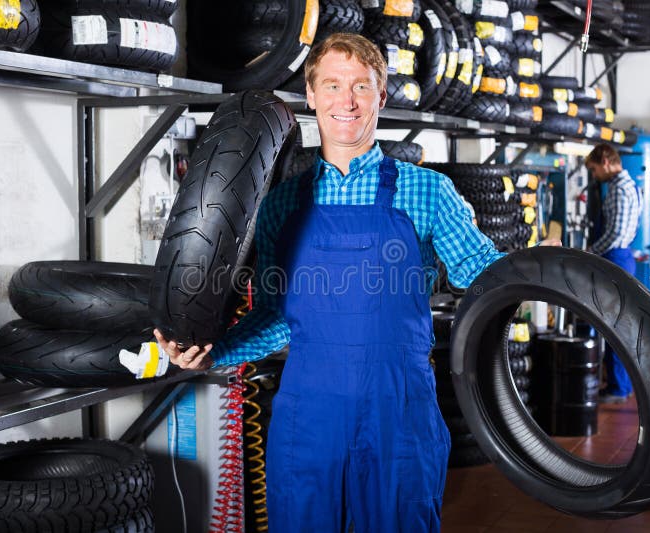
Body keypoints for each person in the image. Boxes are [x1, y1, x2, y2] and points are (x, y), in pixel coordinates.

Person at [154, 33, 553, 532]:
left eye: (361, 86)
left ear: (381, 97)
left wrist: (554, 276)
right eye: (333, 85)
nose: (347, 100)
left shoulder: (428, 192)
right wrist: (214, 352)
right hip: (309, 422)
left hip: (399, 419)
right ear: (313, 96)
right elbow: (277, 318)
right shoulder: (280, 206)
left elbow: (486, 277)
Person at [584, 143, 642, 404]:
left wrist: (591, 251)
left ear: (606, 161)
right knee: (618, 323)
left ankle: (619, 387)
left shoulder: (619, 189)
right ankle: (622, 384)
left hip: (614, 257)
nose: (595, 176)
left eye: (595, 170)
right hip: (623, 256)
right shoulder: (632, 187)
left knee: (612, 325)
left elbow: (616, 233)